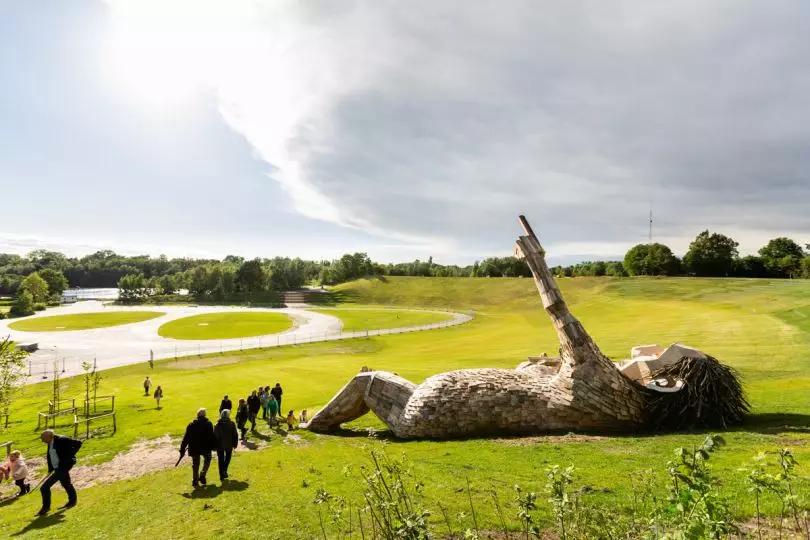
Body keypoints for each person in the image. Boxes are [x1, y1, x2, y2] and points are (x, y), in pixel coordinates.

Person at [37, 430, 82, 516]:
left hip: (64, 466)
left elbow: (78, 443)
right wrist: (50, 468)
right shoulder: (50, 442)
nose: (42, 440)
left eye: (43, 438)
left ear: (49, 436)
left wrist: (70, 455)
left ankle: (45, 508)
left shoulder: (62, 439)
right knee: (66, 483)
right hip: (57, 467)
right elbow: (50, 455)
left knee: (44, 487)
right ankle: (72, 501)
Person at [179, 408, 216, 488]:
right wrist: (214, 446)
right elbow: (211, 437)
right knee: (208, 459)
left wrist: (182, 448)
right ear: (205, 415)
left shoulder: (191, 424)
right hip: (205, 448)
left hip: (194, 448)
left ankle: (195, 480)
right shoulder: (208, 423)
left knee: (195, 464)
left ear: (197, 415)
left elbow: (186, 438)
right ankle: (202, 474)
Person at [213, 409, 239, 481]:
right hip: (229, 444)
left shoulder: (217, 425)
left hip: (220, 445)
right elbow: (235, 435)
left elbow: (215, 436)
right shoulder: (231, 423)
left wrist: (214, 446)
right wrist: (235, 444)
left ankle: (221, 474)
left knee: (220, 460)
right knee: (228, 458)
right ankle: (224, 470)